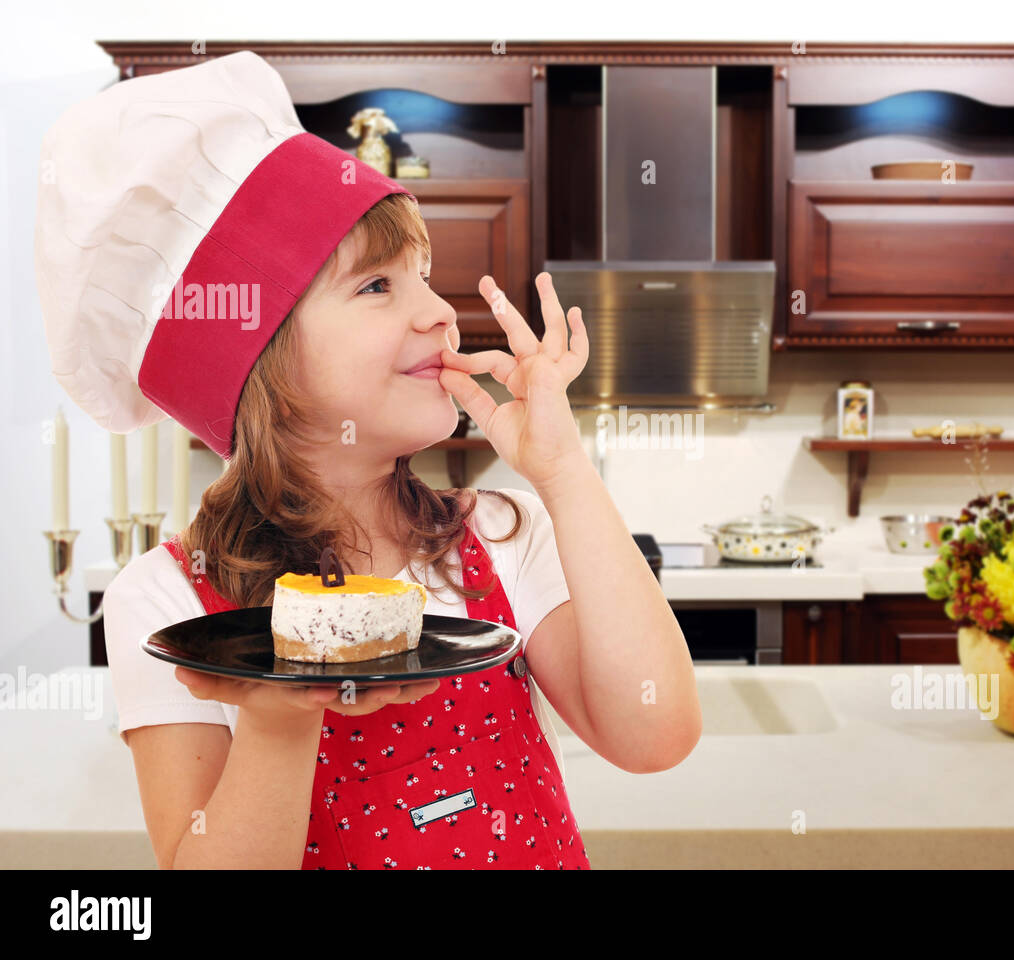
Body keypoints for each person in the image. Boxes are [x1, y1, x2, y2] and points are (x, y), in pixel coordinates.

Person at [35, 50, 700, 870]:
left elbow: (655, 732)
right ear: (260, 368)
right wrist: (283, 712)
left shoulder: (501, 533)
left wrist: (563, 473)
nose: (440, 315)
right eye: (378, 288)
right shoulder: (166, 602)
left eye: (424, 277)